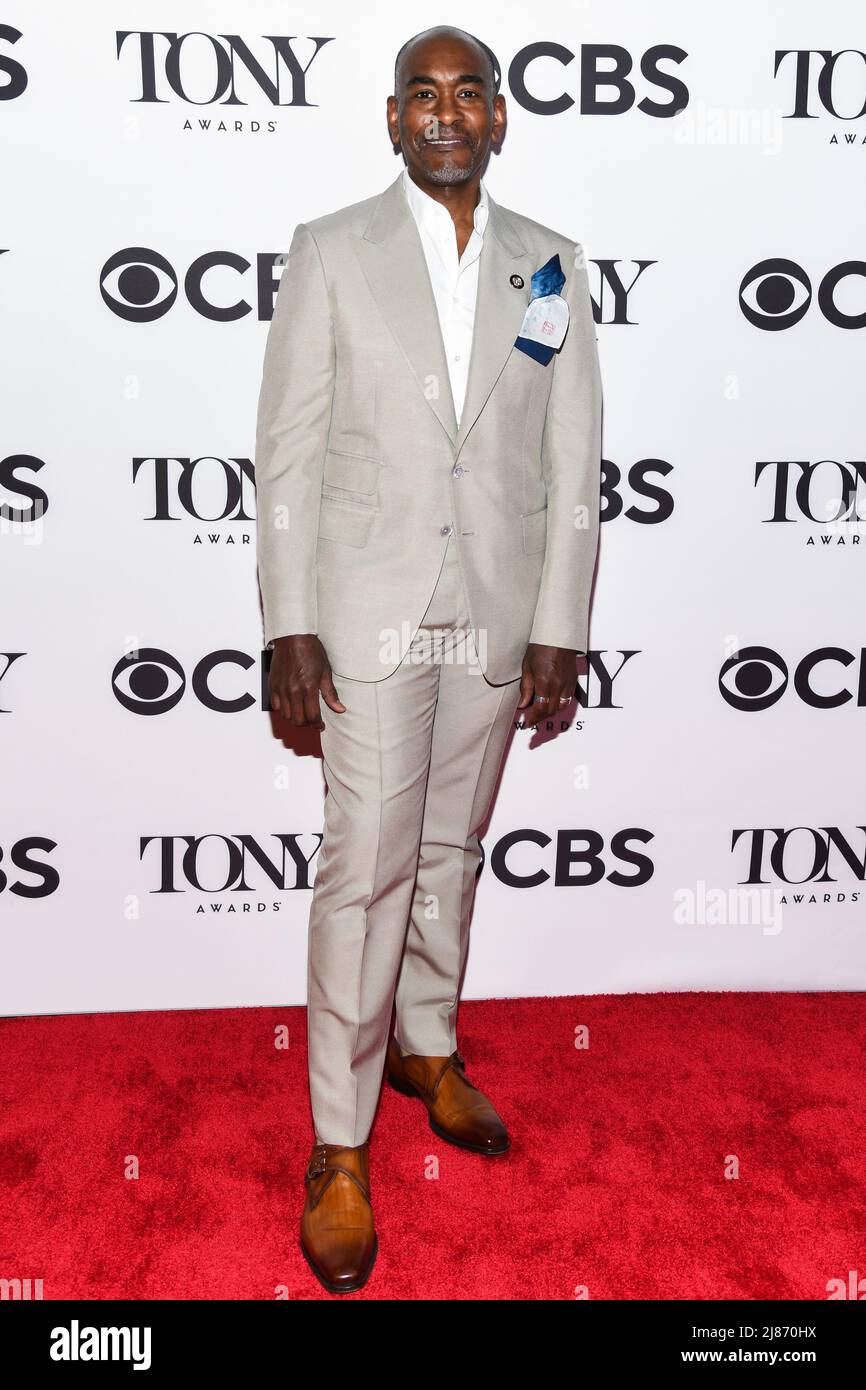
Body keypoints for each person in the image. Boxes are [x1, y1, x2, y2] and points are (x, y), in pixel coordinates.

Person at [254, 24, 602, 1294]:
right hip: (365, 604)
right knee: (366, 863)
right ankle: (338, 1147)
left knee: (452, 837)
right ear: (391, 119)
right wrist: (288, 621)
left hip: (497, 606)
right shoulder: (332, 250)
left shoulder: (547, 264)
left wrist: (557, 620)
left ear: (499, 117)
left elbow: (570, 457)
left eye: (470, 95)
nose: (445, 114)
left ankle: (424, 1044)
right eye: (422, 95)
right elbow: (285, 450)